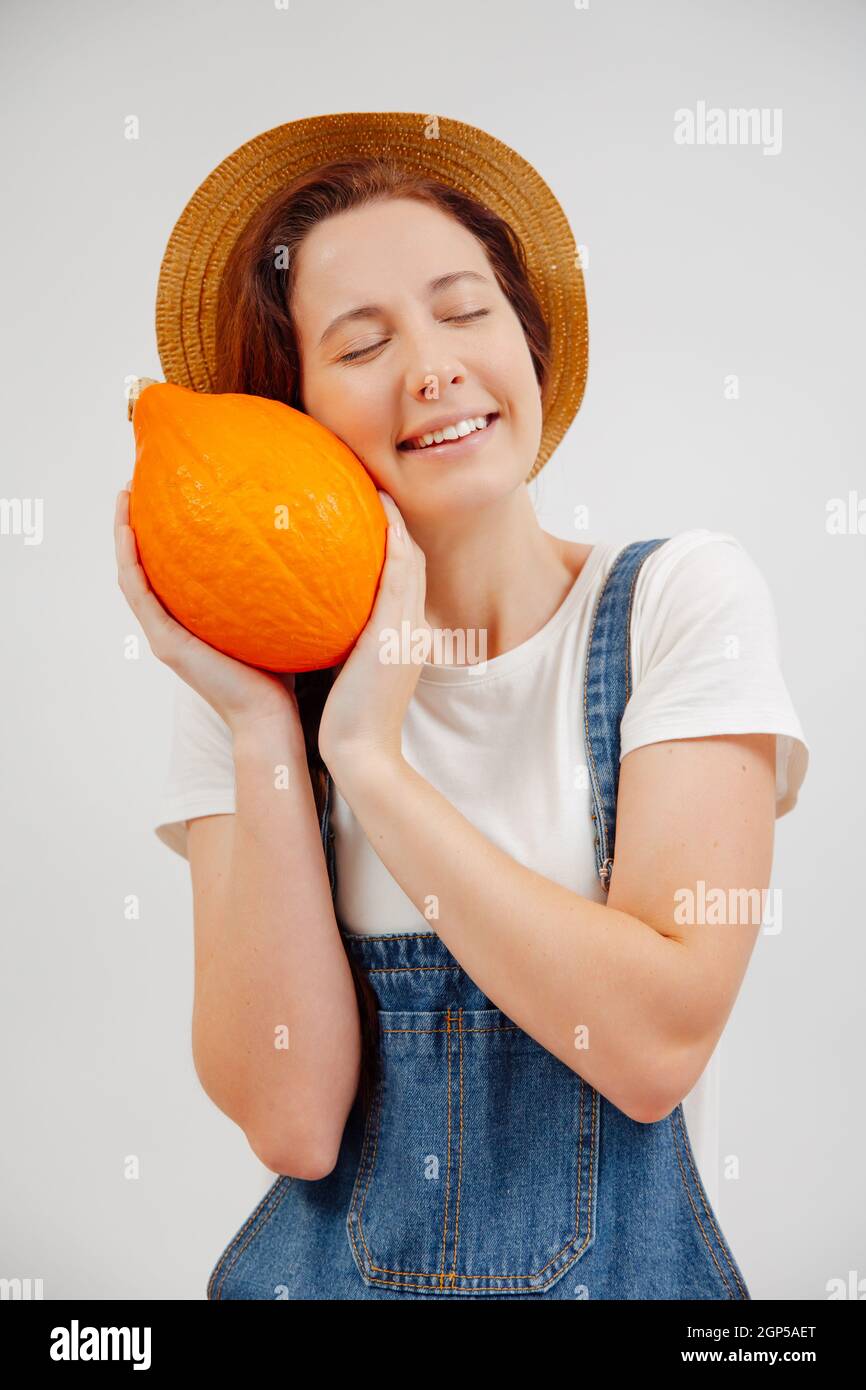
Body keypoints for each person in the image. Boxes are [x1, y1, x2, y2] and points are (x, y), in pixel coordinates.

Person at [115, 119, 809, 1300]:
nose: (431, 365)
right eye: (362, 341)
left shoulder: (674, 605)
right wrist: (259, 727)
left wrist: (372, 767)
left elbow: (647, 1051)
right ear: (291, 420)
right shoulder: (254, 697)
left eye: (462, 308)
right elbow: (294, 1123)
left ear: (527, 340)